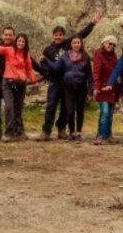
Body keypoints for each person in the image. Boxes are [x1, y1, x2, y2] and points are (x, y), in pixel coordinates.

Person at [38, 13, 102, 141]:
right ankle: (46, 131)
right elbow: (44, 66)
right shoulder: (48, 49)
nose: (58, 37)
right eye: (56, 35)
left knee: (66, 108)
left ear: (64, 36)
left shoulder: (68, 44)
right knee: (51, 106)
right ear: (53, 36)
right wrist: (46, 76)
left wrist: (93, 23)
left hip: (68, 83)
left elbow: (82, 34)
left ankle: (62, 129)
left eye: (60, 35)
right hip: (55, 82)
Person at [0, 33, 38, 142]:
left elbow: (29, 69)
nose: (21, 43)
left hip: (21, 84)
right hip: (8, 83)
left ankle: (20, 132)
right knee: (9, 107)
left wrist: (34, 81)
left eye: (23, 42)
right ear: (16, 42)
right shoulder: (9, 50)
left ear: (26, 44)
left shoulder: (26, 55)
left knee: (18, 109)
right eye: (19, 41)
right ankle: (8, 133)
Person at [46, 36, 92, 141]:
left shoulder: (85, 57)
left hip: (81, 87)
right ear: (71, 44)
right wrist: (45, 60)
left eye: (78, 43)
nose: (76, 44)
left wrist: (90, 91)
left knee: (80, 111)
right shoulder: (65, 56)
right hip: (68, 87)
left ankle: (79, 133)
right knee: (70, 110)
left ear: (81, 44)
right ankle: (71, 132)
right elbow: (55, 67)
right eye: (74, 43)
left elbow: (89, 75)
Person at [92, 35, 119, 145]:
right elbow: (96, 72)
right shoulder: (99, 54)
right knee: (105, 112)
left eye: (113, 45)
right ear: (103, 43)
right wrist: (95, 87)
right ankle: (101, 136)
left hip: (112, 89)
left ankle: (107, 134)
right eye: (109, 43)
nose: (111, 46)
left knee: (110, 113)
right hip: (102, 88)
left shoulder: (114, 56)